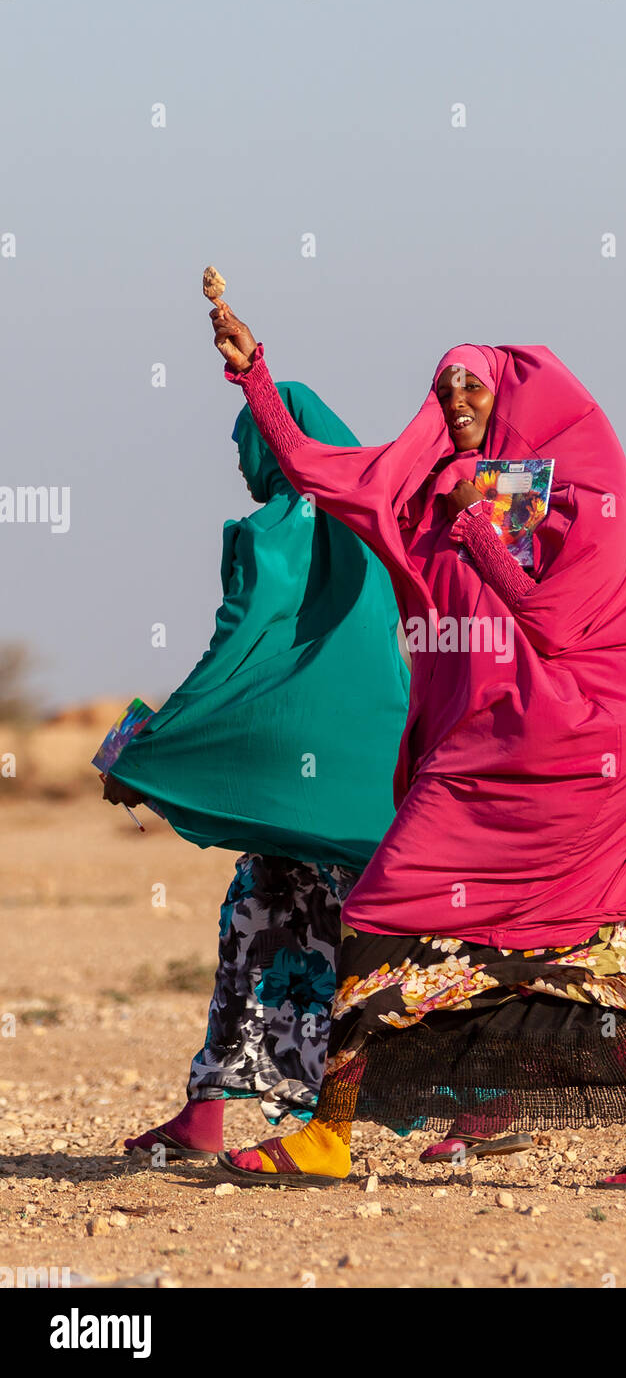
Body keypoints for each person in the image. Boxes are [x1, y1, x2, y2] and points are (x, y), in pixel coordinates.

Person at [208, 306, 626, 1190]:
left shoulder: (563, 491)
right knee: (556, 949)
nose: (455, 401)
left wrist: (478, 526)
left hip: (565, 739)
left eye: (472, 387)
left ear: (507, 397)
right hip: (503, 744)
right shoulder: (424, 489)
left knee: (377, 916)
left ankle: (328, 1136)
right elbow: (316, 469)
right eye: (445, 387)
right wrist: (253, 371)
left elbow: (555, 618)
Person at [101, 382, 410, 1155]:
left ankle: (353, 1119)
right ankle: (216, 1107)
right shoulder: (378, 529)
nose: (244, 464)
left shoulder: (274, 528)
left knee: (272, 924)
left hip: (289, 764)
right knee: (301, 918)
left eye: (248, 443)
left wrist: (156, 745)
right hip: (375, 764)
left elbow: (236, 642)